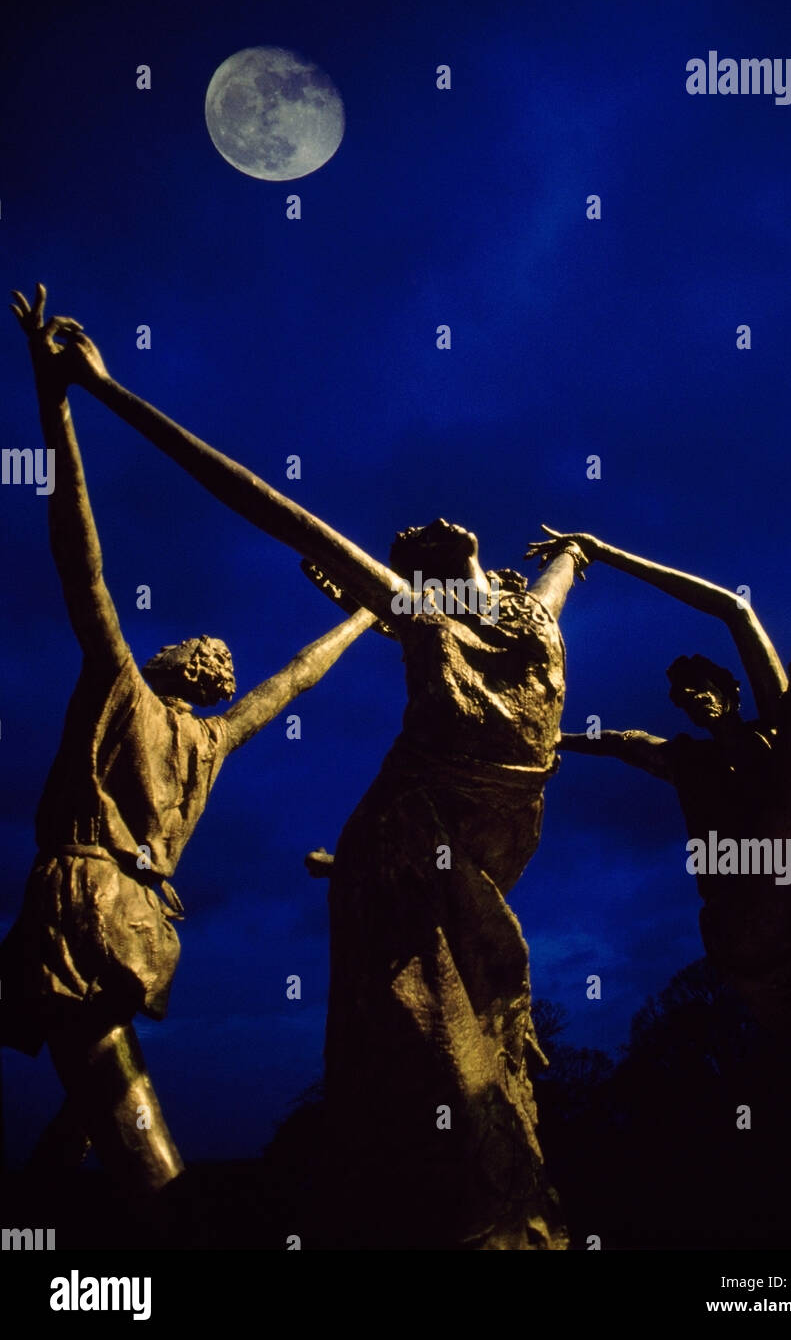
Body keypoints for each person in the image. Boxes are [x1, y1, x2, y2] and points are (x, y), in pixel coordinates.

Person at [53, 303, 585, 1249]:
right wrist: (99, 394)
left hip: (459, 858)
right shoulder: (427, 623)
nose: (436, 525)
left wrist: (583, 552)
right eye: (417, 543)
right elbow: (254, 499)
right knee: (438, 1073)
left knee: (485, 1067)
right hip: (397, 855)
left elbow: (558, 576)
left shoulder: (531, 617)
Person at [0, 286, 373, 1202]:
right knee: (91, 1115)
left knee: (136, 1139)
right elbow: (291, 681)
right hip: (138, 919)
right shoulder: (203, 734)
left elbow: (79, 553)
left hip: (90, 902)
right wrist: (367, 612)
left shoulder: (131, 690)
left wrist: (56, 403)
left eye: (194, 647)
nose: (195, 648)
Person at [540, 393, 791, 1227]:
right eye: (680, 692)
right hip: (750, 925)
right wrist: (538, 739)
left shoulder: (771, 727)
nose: (692, 696)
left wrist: (602, 551)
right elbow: (613, 741)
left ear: (726, 690)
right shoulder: (686, 761)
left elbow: (734, 611)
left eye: (702, 685)